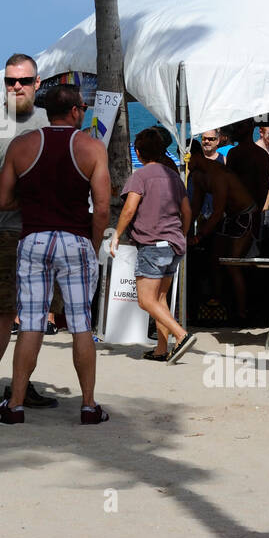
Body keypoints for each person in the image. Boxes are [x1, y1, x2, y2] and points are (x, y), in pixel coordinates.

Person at [0, 85, 111, 425]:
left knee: (30, 324)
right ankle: (88, 406)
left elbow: (2, 201)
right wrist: (92, 241)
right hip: (75, 239)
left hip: (35, 238)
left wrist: (33, 205)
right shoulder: (92, 147)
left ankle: (14, 405)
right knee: (81, 325)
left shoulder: (22, 145)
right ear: (75, 111)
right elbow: (101, 209)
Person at [0, 53, 60, 411]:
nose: (16, 86)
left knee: (36, 316)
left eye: (23, 80)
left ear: (37, 84)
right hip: (7, 232)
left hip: (44, 232)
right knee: (3, 312)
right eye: (10, 81)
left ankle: (22, 384)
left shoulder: (49, 122)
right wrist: (19, 187)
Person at [111, 127, 194, 363]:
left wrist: (116, 234)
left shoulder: (140, 176)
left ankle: (181, 335)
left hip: (152, 244)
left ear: (138, 152)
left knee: (146, 300)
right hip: (174, 244)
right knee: (160, 299)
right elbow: (187, 211)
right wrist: (182, 234)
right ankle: (160, 348)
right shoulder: (173, 177)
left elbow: (129, 208)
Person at [187, 134, 260, 322]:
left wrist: (199, 236)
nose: (185, 163)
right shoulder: (196, 176)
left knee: (233, 264)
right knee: (214, 260)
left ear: (196, 156)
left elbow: (217, 212)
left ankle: (242, 312)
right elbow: (195, 208)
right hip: (229, 217)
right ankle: (217, 302)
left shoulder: (218, 173)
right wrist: (184, 230)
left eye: (187, 159)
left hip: (244, 215)